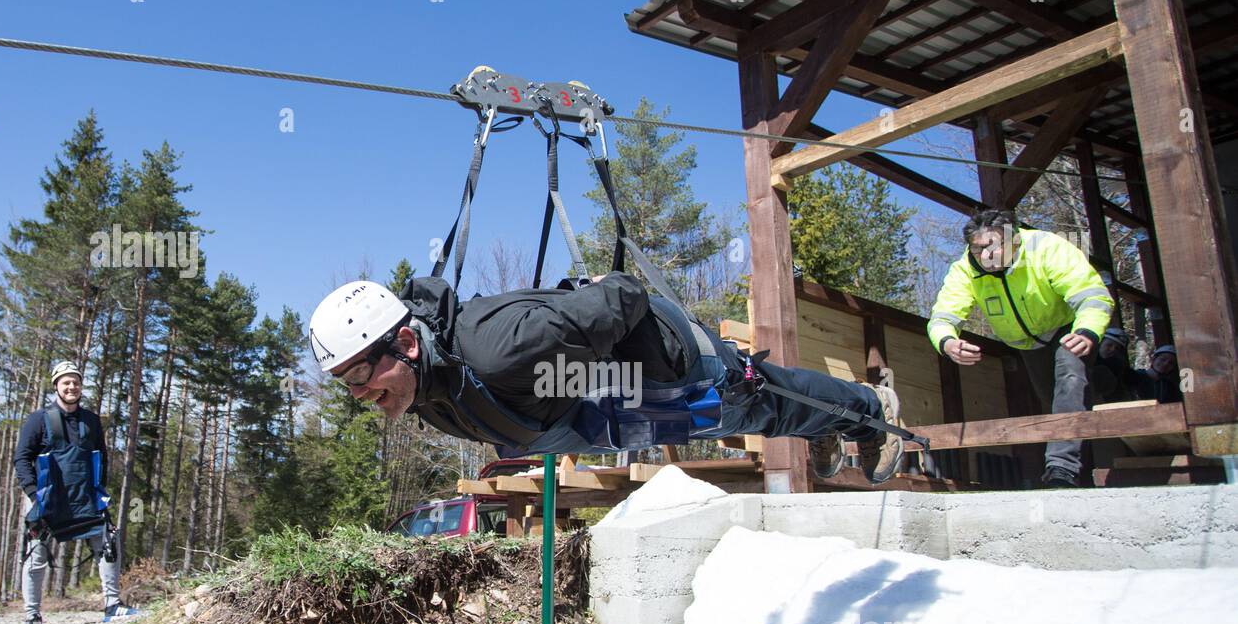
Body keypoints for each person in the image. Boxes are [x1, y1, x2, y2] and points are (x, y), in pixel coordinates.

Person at [307, 273, 906, 484]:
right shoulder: (420, 388)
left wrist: (593, 310)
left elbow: (622, 295)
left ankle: (869, 409)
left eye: (360, 373)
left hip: (662, 375)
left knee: (756, 403)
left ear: (406, 341)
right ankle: (824, 426)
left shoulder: (497, 349)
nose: (360, 393)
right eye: (345, 382)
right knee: (759, 418)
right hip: (601, 410)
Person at [928, 210, 1114, 487]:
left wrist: (1087, 331)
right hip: (1027, 345)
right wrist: (947, 342)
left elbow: (1092, 295)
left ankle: (1061, 470)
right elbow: (943, 317)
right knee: (1052, 401)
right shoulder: (964, 269)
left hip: (1068, 329)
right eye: (978, 249)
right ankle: (1080, 475)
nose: (987, 256)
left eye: (994, 247)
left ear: (1013, 240)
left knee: (1070, 375)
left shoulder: (1047, 247)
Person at [14, 361, 137, 624]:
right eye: (66, 382)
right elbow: (21, 458)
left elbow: (102, 458)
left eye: (76, 382)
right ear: (56, 386)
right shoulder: (38, 419)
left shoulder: (91, 421)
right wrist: (34, 494)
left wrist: (99, 491)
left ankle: (112, 605)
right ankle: (32, 617)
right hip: (46, 498)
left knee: (107, 542)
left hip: (84, 495)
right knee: (36, 554)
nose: (71, 387)